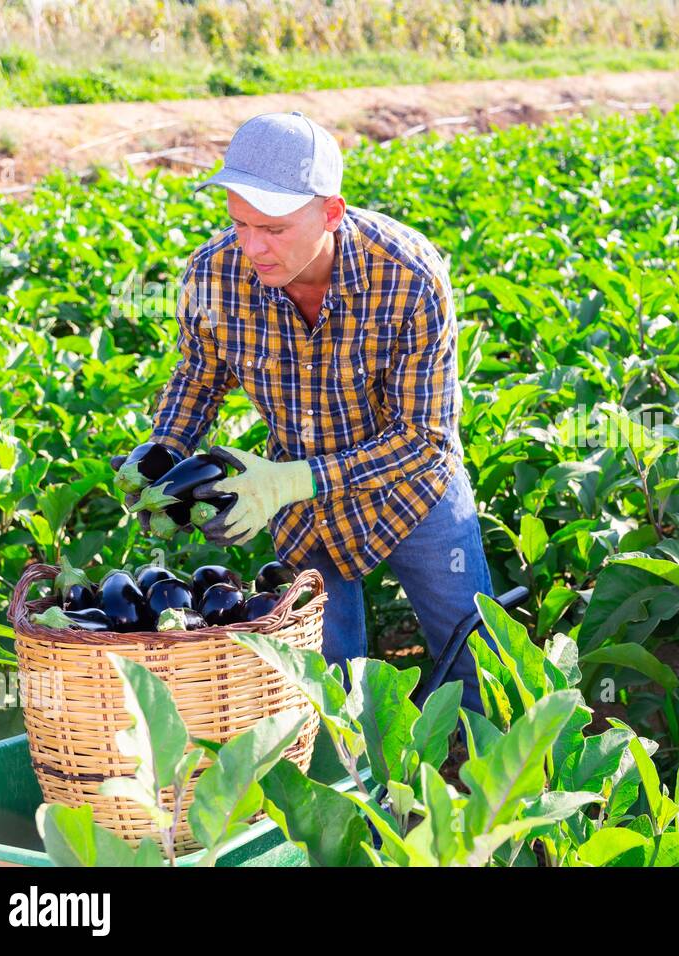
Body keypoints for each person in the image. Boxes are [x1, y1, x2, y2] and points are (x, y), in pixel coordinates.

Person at [113, 111, 495, 711]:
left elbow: (427, 441)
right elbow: (198, 376)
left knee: (472, 651)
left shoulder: (409, 277)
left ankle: (492, 789)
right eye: (239, 223)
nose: (253, 247)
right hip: (296, 502)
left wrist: (292, 479)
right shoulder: (214, 275)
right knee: (322, 678)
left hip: (412, 493)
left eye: (274, 228)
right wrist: (163, 453)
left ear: (332, 213)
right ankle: (352, 793)